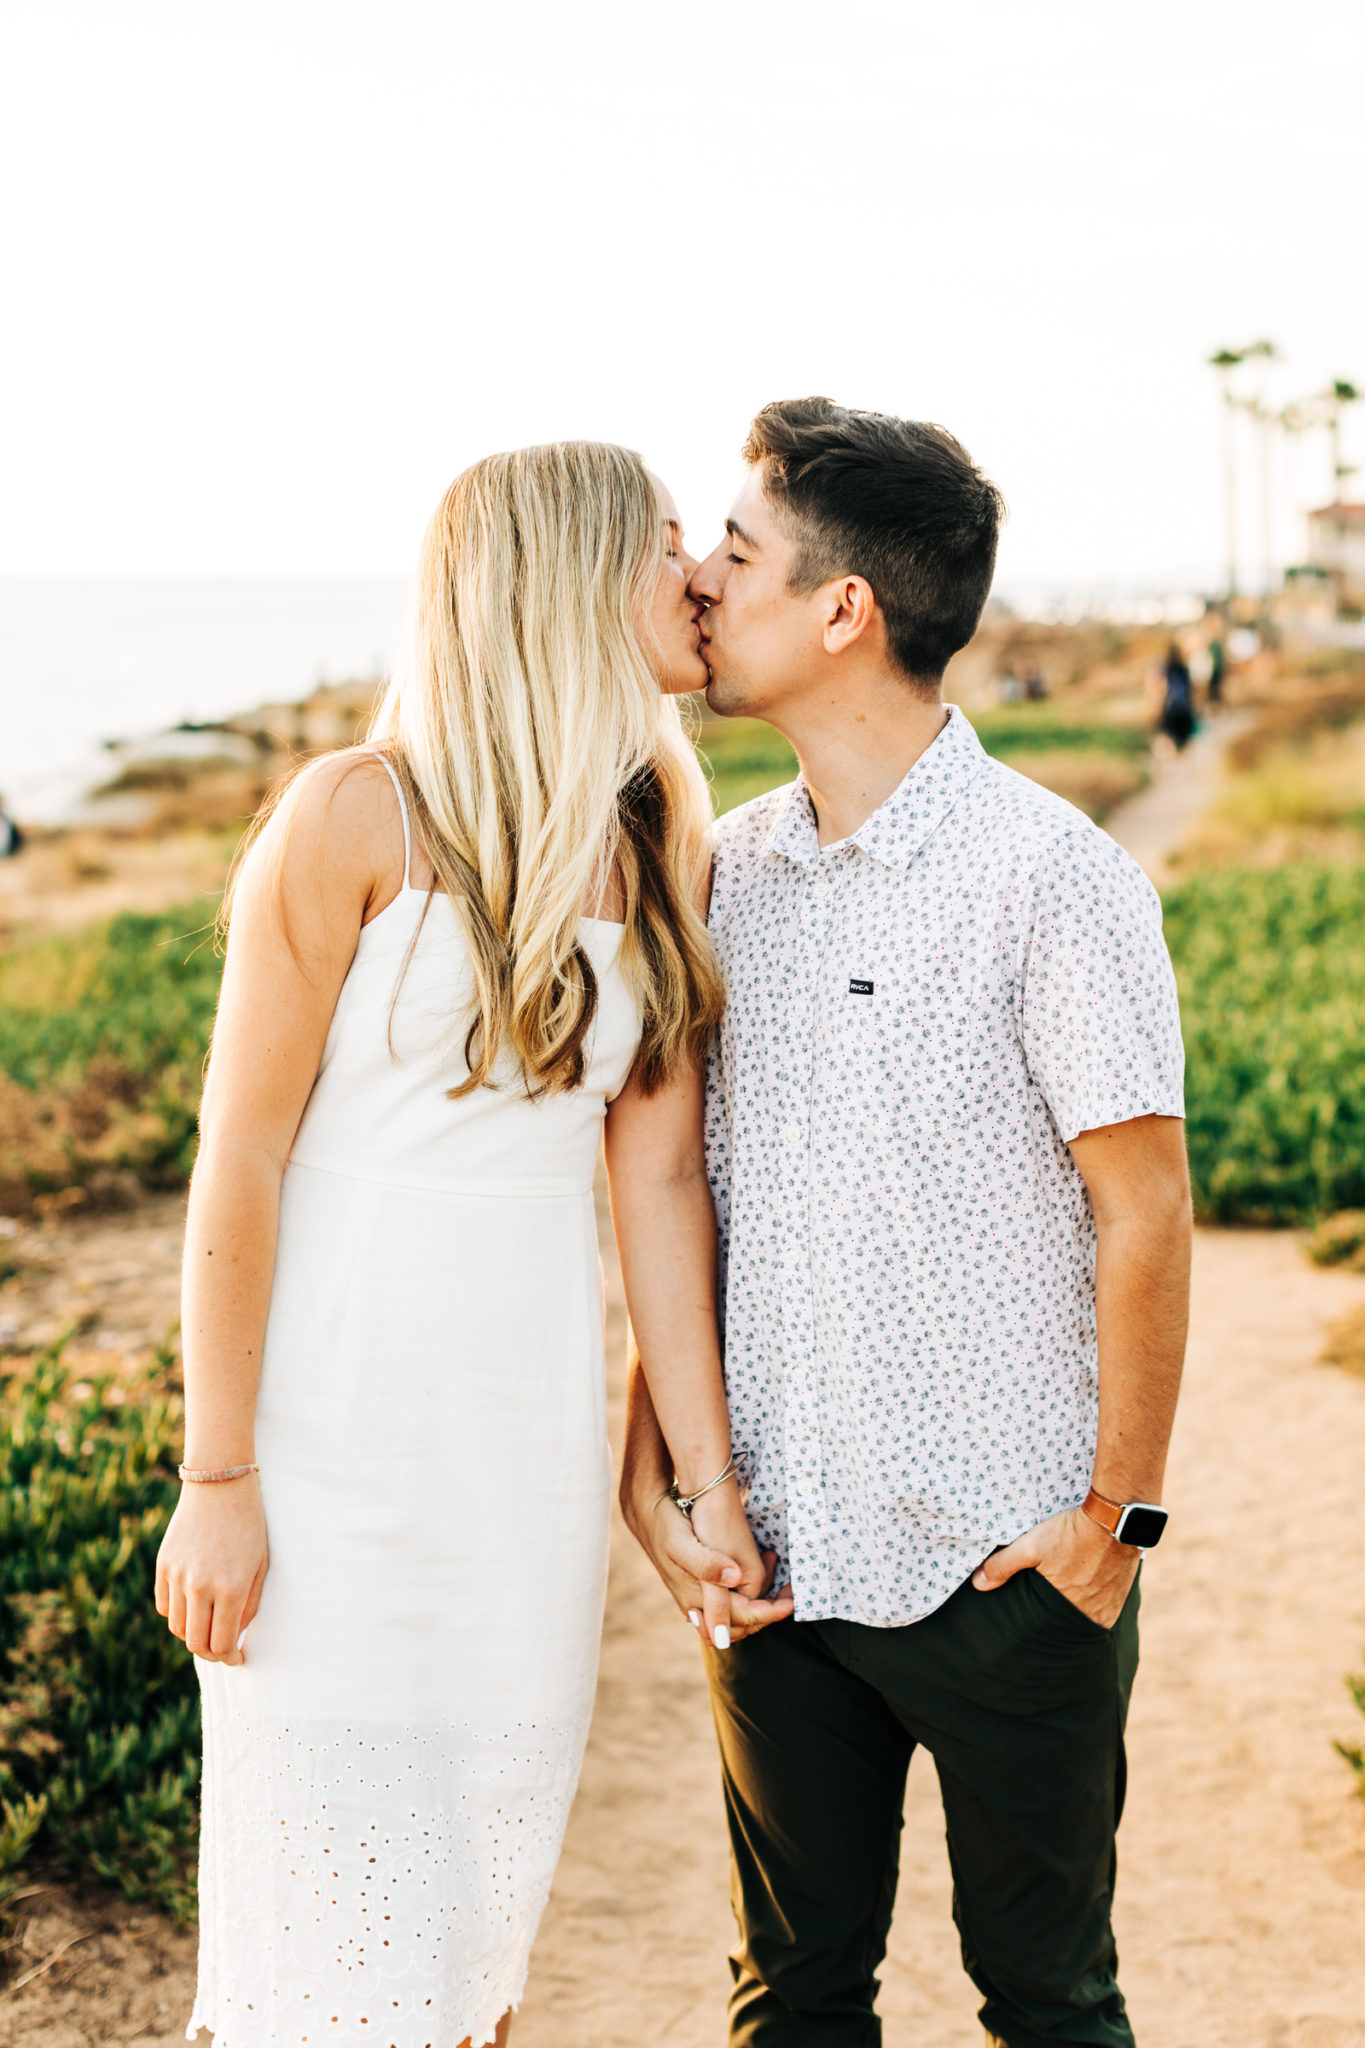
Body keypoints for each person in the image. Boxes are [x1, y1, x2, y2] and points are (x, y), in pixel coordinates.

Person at [155, 443, 766, 2048]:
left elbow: (660, 1196)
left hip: (521, 1461)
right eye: (662, 543)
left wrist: (701, 1485)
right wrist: (215, 1479)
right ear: (567, 579)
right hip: (326, 1454)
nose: (699, 569)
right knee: (312, 1945)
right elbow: (241, 1163)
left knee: (473, 1944)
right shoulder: (350, 813)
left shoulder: (654, 841)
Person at [622, 398, 1191, 2048]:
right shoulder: (718, 872)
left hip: (1009, 1563)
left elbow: (1146, 1216)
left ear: (844, 609)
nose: (705, 588)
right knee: (790, 2004)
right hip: (782, 1569)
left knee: (1050, 2003)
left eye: (737, 554)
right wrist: (651, 1460)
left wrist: (1115, 1525)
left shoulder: (1054, 876)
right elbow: (686, 1202)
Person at [1159, 641, 1196, 749]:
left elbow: (1161, 687)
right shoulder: (1184, 669)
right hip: (1183, 706)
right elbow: (1190, 689)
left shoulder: (1165, 669)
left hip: (1170, 706)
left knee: (1171, 736)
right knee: (1182, 738)